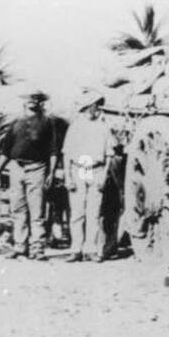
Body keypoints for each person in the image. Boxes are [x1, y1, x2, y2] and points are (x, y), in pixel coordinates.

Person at [0, 90, 61, 260]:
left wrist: (51, 172)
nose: (33, 102)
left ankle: (37, 249)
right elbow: (6, 149)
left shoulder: (47, 123)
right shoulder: (16, 122)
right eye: (30, 99)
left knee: (37, 210)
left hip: (37, 168)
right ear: (24, 102)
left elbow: (54, 150)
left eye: (36, 99)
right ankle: (19, 247)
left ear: (41, 103)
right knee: (18, 209)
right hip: (16, 168)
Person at [62, 93, 112, 262]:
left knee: (94, 213)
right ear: (86, 108)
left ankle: (90, 249)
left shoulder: (104, 127)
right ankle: (76, 249)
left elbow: (109, 155)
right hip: (79, 168)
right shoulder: (75, 127)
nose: (94, 109)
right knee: (77, 212)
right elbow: (67, 153)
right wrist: (68, 177)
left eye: (97, 106)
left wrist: (104, 176)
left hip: (96, 169)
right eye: (92, 106)